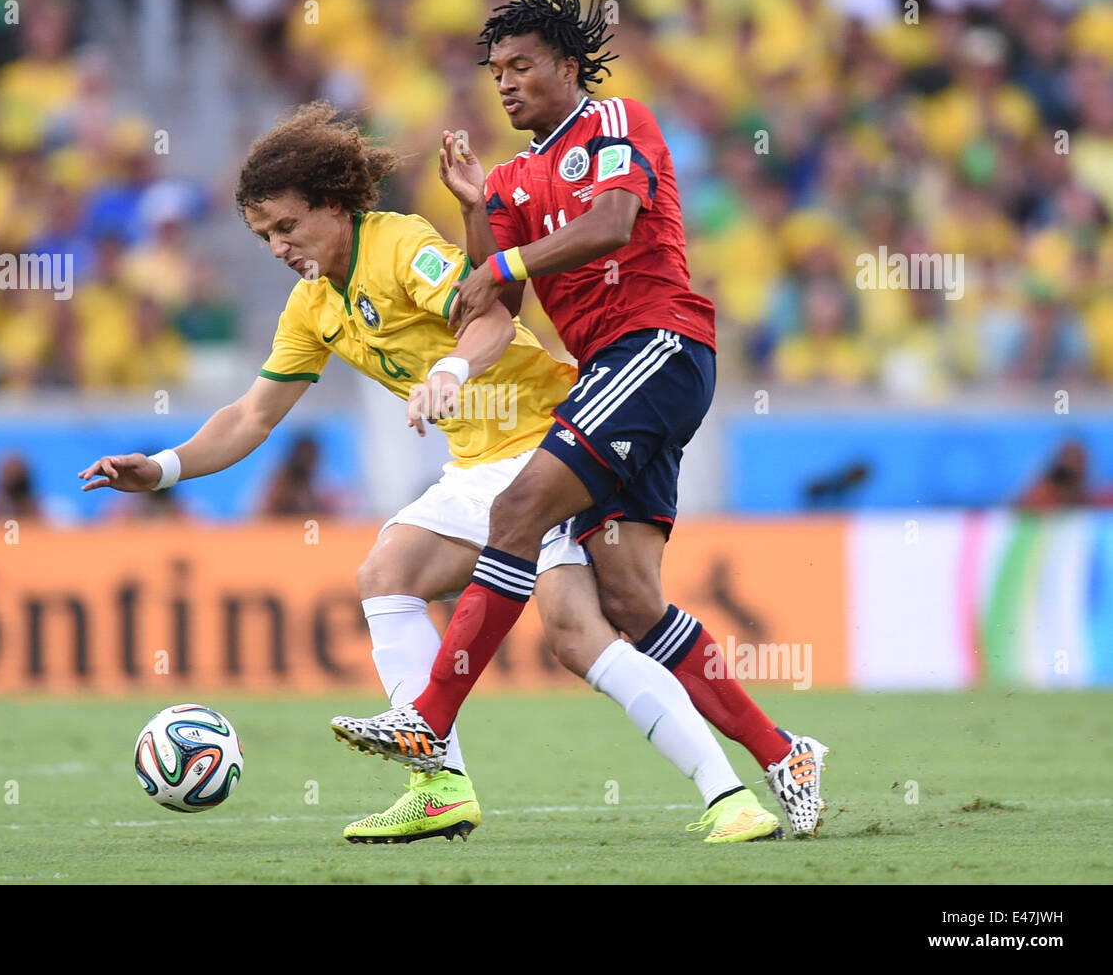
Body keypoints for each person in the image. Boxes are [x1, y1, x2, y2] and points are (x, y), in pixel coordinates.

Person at [80, 102, 782, 844]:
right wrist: (160, 469)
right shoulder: (311, 305)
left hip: (548, 441)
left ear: (334, 205)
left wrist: (451, 367)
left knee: (577, 630)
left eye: (288, 226)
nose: (280, 247)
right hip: (477, 465)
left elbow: (490, 316)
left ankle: (729, 795)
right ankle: (439, 783)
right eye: (264, 237)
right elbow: (251, 416)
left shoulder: (400, 246)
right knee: (386, 571)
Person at [332, 0, 829, 837]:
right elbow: (494, 306)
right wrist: (473, 211)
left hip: (659, 347)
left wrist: (506, 265)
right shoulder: (517, 176)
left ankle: (431, 717)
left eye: (523, 65)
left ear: (569, 64)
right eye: (496, 72)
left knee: (519, 505)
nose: (507, 82)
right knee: (633, 603)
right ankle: (785, 754)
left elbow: (608, 223)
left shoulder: (615, 122)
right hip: (609, 373)